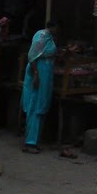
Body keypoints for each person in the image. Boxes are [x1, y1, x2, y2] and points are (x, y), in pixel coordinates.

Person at [21, 19, 59, 153]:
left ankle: (35, 141)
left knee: (41, 106)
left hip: (46, 75)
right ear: (53, 27)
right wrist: (36, 74)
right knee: (34, 106)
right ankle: (29, 142)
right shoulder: (41, 36)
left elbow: (51, 53)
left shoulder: (50, 38)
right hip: (39, 73)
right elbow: (32, 56)